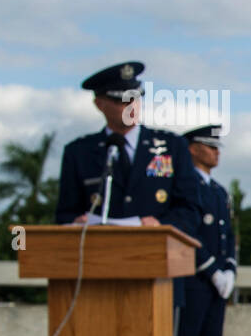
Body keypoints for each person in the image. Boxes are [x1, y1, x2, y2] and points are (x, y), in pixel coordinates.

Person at [54, 61, 201, 310]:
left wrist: (162, 226)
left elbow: (191, 211)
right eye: (121, 100)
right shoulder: (80, 152)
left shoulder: (172, 147)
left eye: (135, 98)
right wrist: (75, 223)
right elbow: (64, 214)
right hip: (95, 286)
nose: (130, 106)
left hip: (158, 281)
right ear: (100, 104)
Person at [174, 125, 236, 336]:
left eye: (217, 148)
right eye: (210, 147)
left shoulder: (220, 192)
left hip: (217, 283)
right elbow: (186, 231)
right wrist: (210, 268)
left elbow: (228, 236)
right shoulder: (185, 184)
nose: (215, 153)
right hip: (193, 279)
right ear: (192, 148)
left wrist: (230, 269)